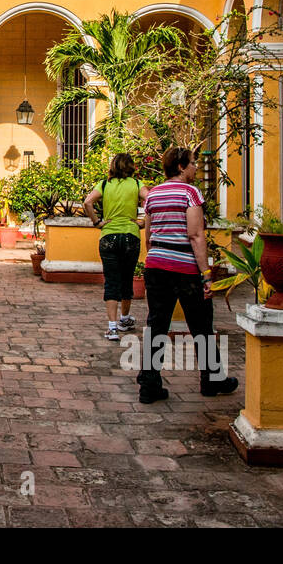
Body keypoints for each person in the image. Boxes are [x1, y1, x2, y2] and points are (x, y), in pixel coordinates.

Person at [138, 146, 239, 403]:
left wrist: (157, 258)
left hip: (156, 264)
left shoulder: (153, 194)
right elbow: (195, 235)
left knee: (157, 323)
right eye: (193, 163)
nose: (196, 167)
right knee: (202, 325)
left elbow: (148, 236)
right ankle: (212, 379)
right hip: (184, 268)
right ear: (181, 167)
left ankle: (149, 383)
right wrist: (206, 273)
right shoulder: (190, 192)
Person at [84, 152, 149, 341]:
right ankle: (124, 319)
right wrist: (143, 221)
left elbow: (88, 202)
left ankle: (112, 328)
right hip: (130, 236)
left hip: (108, 236)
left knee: (111, 281)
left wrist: (97, 222)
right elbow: (152, 199)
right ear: (130, 166)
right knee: (127, 278)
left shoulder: (104, 185)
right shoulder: (136, 184)